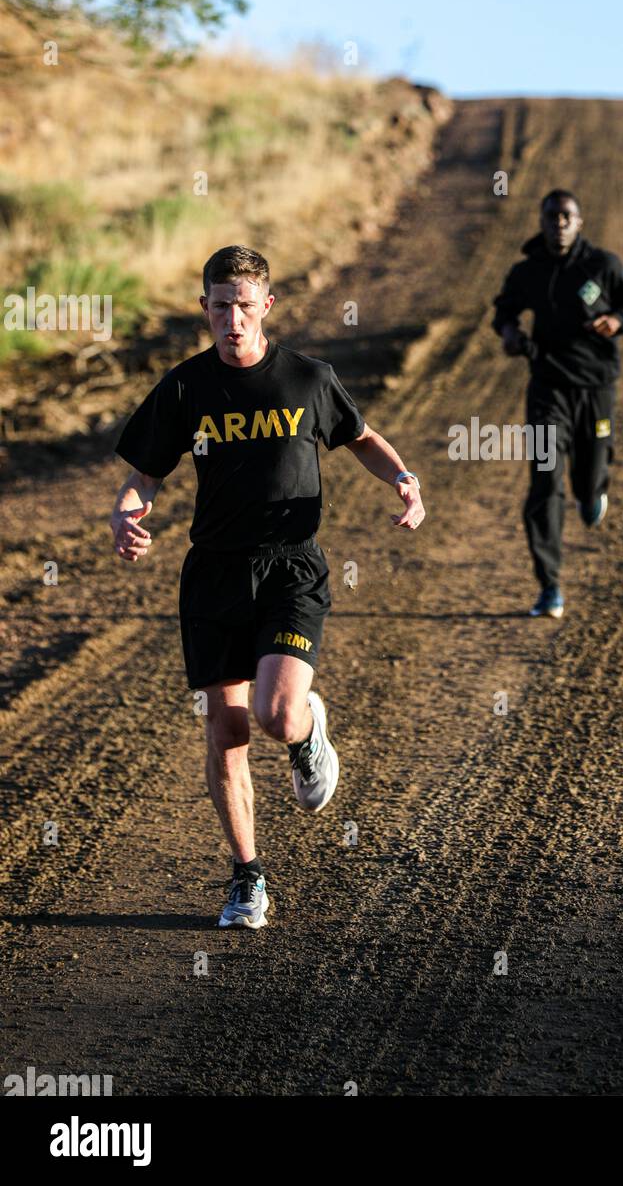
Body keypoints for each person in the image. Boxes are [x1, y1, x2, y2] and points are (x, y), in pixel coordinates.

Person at [108, 245, 425, 929]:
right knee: (225, 729)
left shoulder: (307, 379)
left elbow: (360, 436)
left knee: (276, 713)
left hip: (290, 568)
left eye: (244, 305)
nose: (232, 320)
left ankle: (308, 736)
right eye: (219, 307)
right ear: (204, 309)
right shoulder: (186, 388)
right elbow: (143, 476)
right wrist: (126, 516)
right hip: (215, 575)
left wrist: (402, 478)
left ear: (267, 306)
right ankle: (247, 878)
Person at [492, 189, 623, 619]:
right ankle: (549, 586)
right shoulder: (528, 271)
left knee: (587, 476)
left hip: (596, 388)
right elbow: (503, 310)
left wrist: (618, 320)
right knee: (544, 482)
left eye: (567, 216)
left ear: (579, 222)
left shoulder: (604, 265)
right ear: (541, 221)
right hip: (547, 387)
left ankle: (592, 491)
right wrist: (508, 332)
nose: (559, 222)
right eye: (551, 216)